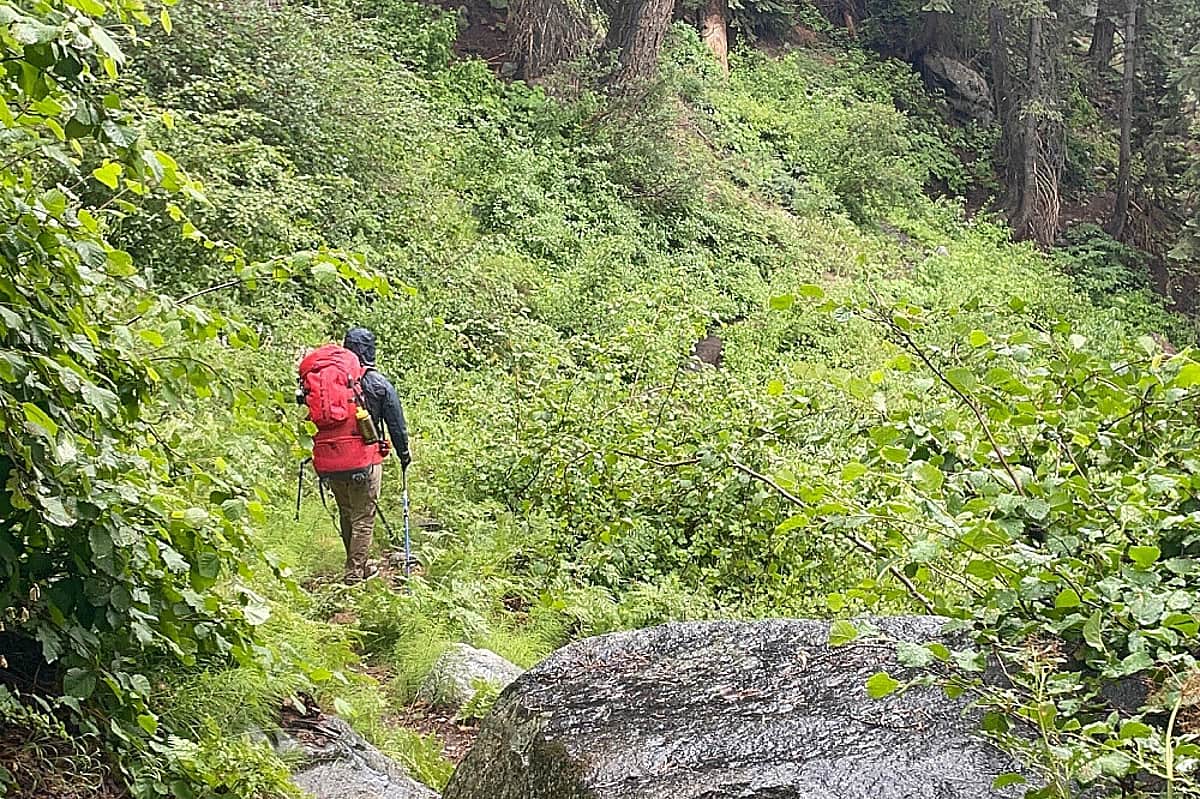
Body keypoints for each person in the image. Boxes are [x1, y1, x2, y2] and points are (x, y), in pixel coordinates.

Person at [326, 327, 411, 581]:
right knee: (363, 516)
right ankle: (354, 572)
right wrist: (404, 454)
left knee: (347, 512)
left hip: (332, 460)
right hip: (364, 460)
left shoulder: (331, 382)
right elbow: (396, 425)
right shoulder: (378, 383)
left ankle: (357, 563)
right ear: (371, 351)